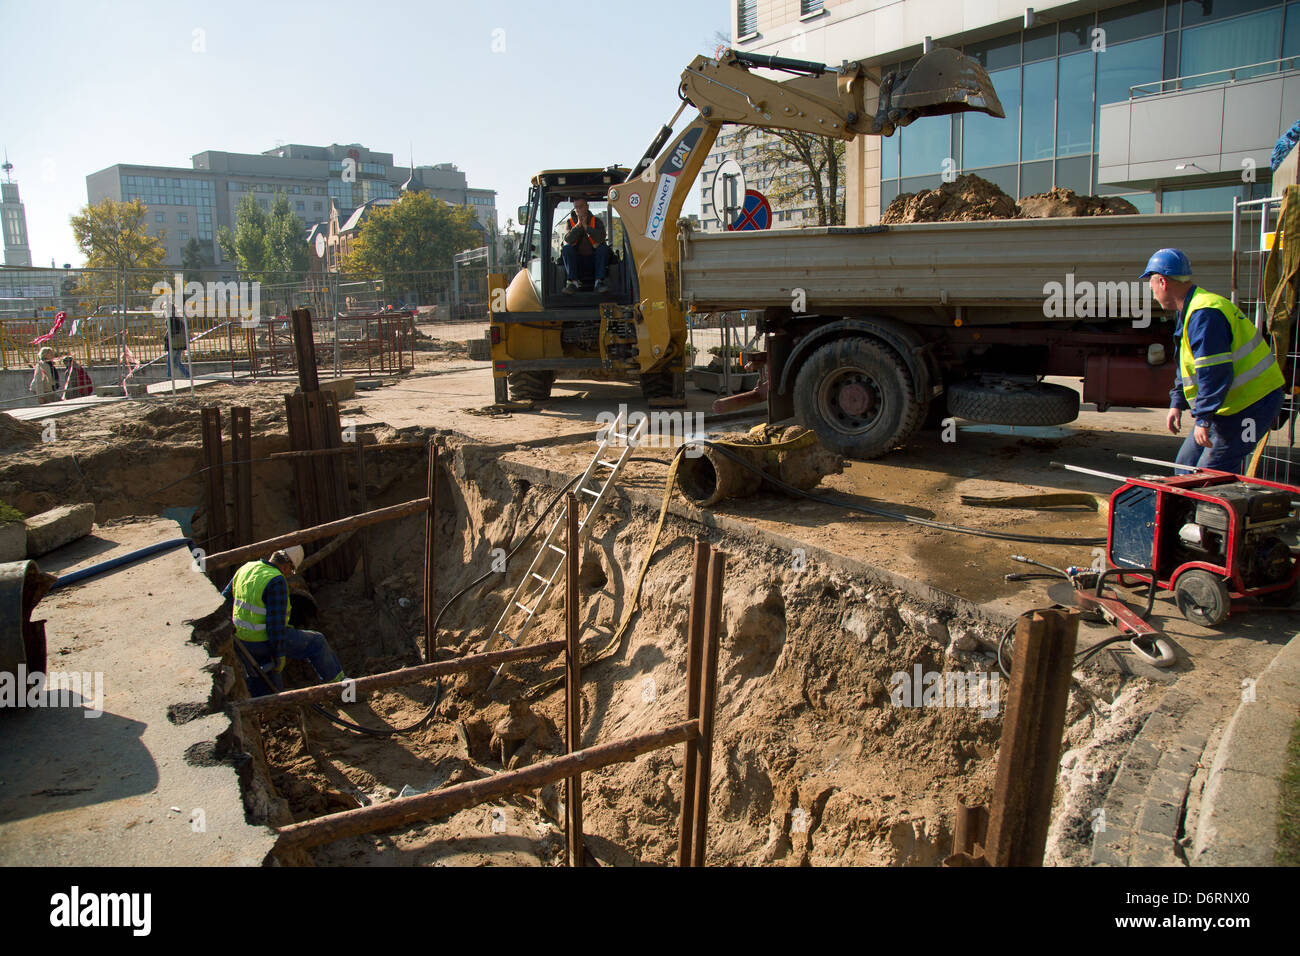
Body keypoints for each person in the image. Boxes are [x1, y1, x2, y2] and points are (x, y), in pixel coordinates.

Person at [1141, 248, 1286, 473]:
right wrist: (1177, 403)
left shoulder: (1205, 314)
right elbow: (1187, 366)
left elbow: (1215, 373)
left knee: (1207, 475)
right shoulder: (1189, 309)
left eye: (1152, 286)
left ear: (1163, 282)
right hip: (1229, 406)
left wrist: (1203, 420)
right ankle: (1188, 507)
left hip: (1254, 404)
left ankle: (1211, 507)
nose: (1152, 293)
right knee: (1184, 468)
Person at [221, 545, 346, 696]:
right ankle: (341, 690)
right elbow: (275, 625)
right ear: (287, 567)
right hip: (263, 640)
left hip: (241, 641)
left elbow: (224, 599)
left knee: (266, 682)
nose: (289, 574)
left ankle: (262, 703)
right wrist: (279, 654)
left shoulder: (246, 568)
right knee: (317, 642)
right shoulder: (276, 580)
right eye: (291, 571)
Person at [559, 198, 610, 294]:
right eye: (576, 207)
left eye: (581, 206)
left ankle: (599, 282)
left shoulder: (596, 221)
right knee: (566, 249)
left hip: (594, 261)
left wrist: (586, 227)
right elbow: (568, 239)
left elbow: (601, 237)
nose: (578, 209)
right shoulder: (570, 223)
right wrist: (578, 226)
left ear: (587, 206)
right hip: (576, 262)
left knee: (603, 248)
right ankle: (573, 283)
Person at [166, 307, 190, 379]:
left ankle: (169, 377)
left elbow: (172, 332)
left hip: (174, 343)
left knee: (170, 362)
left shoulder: (171, 319)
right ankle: (187, 374)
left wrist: (167, 338)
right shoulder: (179, 319)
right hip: (180, 343)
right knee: (176, 361)